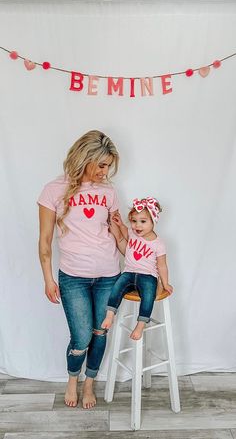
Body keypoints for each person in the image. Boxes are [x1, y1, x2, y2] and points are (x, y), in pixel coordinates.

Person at [38, 130, 121, 409]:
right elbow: (45, 241)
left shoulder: (109, 191)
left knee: (100, 332)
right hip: (73, 277)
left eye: (108, 165)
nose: (104, 171)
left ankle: (89, 383)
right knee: (82, 336)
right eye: (101, 164)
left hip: (109, 275)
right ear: (84, 158)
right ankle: (72, 378)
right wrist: (48, 279)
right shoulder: (53, 190)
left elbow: (117, 233)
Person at [101, 197, 173, 340]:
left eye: (143, 221)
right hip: (129, 273)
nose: (137, 226)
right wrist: (120, 224)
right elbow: (123, 230)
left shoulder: (158, 244)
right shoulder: (133, 234)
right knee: (116, 288)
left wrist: (165, 283)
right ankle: (110, 315)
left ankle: (140, 324)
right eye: (134, 221)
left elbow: (162, 266)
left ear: (153, 221)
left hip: (147, 276)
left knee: (148, 296)